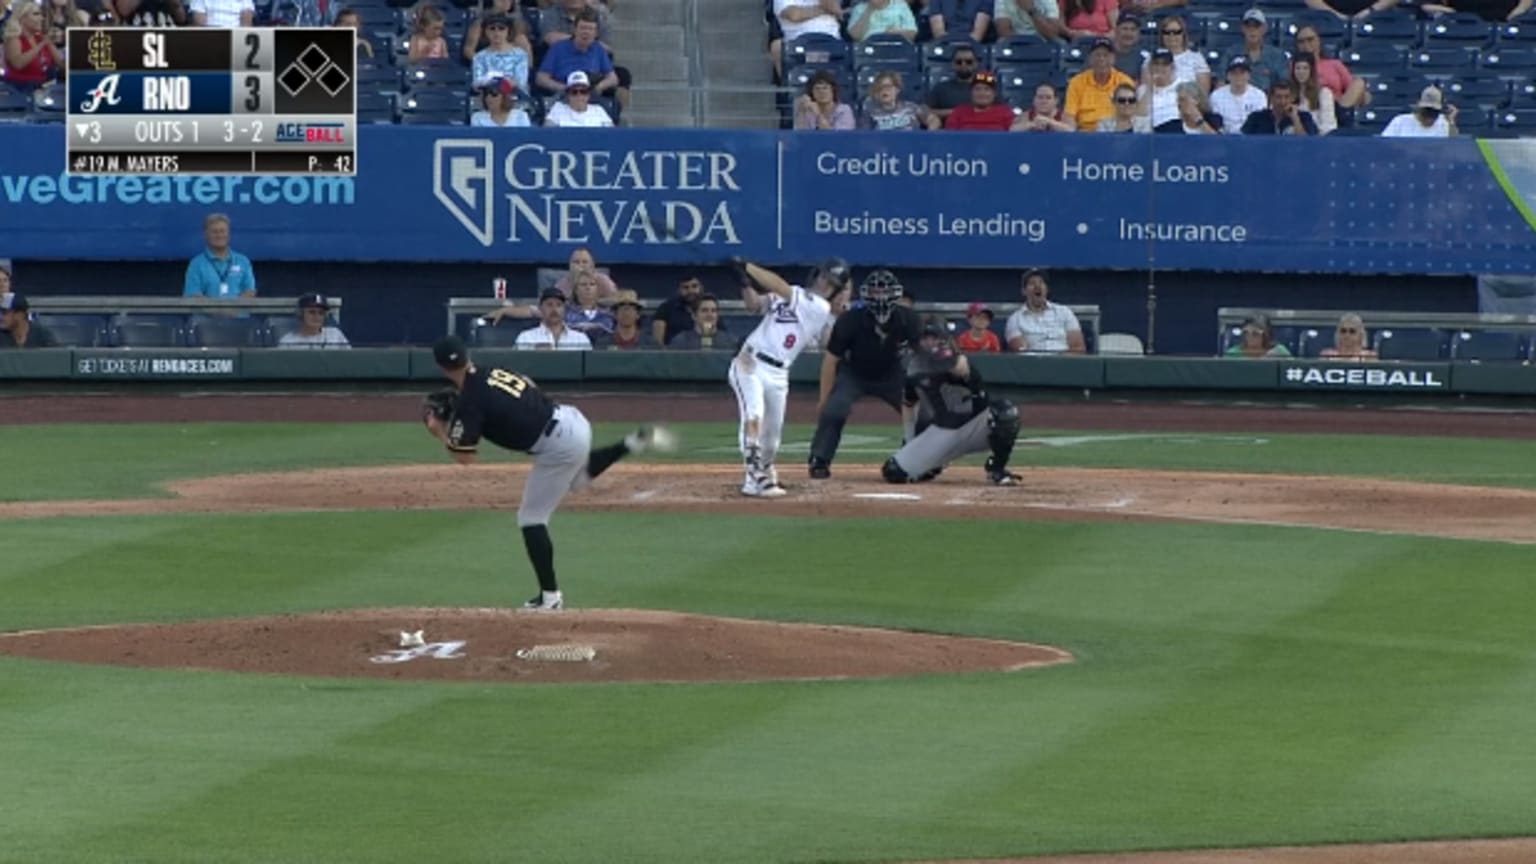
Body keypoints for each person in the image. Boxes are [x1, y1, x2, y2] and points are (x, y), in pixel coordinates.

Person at [422, 335, 678, 611]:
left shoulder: (471, 401)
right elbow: (529, 383)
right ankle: (634, 441)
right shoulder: (492, 371)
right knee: (577, 479)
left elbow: (465, 457)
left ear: (440, 368)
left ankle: (550, 597)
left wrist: (440, 432)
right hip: (571, 418)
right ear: (466, 355)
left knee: (531, 518)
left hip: (559, 444)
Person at [725, 256, 850, 497]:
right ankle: (754, 476)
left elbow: (779, 285)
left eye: (832, 283)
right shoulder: (792, 297)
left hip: (779, 373)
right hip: (750, 362)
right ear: (817, 274)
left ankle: (764, 468)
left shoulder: (818, 307)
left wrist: (747, 267)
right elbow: (754, 305)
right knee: (754, 414)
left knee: (772, 438)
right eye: (825, 277)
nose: (826, 284)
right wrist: (743, 282)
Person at [808, 269, 924, 480]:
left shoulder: (910, 319)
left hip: (892, 373)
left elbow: (923, 355)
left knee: (922, 413)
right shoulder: (850, 320)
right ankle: (820, 459)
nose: (880, 297)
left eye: (884, 292)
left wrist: (924, 391)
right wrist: (824, 399)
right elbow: (830, 360)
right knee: (834, 409)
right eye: (875, 292)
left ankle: (916, 459)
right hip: (854, 373)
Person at [881, 321, 1023, 487]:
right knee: (894, 472)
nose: (930, 343)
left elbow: (960, 368)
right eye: (926, 339)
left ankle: (997, 469)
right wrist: (908, 439)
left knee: (1006, 412)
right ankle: (935, 463)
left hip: (977, 425)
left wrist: (940, 357)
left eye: (934, 338)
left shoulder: (957, 360)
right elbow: (908, 404)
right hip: (945, 430)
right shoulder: (914, 370)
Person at [1005, 269, 1086, 353]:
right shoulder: (1015, 319)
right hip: (1033, 364)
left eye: (1041, 282)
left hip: (1064, 362)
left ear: (1047, 289)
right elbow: (1020, 353)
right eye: (1032, 283)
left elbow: (1078, 348)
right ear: (1024, 291)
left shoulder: (1065, 312)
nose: (1037, 286)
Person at [183, 213, 256, 300]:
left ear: (228, 234)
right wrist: (219, 312)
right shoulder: (196, 264)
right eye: (214, 232)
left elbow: (250, 292)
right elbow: (193, 296)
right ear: (205, 235)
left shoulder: (243, 261)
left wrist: (232, 311)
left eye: (222, 231)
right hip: (206, 314)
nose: (219, 235)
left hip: (238, 313)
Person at [3, 2, 62, 89]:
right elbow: (18, 64)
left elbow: (61, 64)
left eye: (41, 14)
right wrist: (42, 44)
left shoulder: (41, 38)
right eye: (36, 14)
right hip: (19, 89)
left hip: (44, 87)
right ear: (22, 17)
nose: (41, 18)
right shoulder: (14, 39)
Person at [515, 287, 593, 350]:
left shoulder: (580, 339)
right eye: (549, 305)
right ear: (540, 308)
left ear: (564, 309)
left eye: (559, 305)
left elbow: (590, 367)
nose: (554, 309)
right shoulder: (526, 338)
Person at [1241, 81, 1318, 135]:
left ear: (1292, 98)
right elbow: (1243, 142)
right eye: (1278, 97)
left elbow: (1308, 145)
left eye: (1286, 97)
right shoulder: (1256, 118)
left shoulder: (1304, 117)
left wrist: (1295, 119)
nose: (1282, 101)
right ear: (1271, 98)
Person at [543, 70, 614, 128]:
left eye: (583, 92)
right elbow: (547, 135)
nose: (579, 95)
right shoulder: (558, 109)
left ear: (588, 94)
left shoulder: (598, 110)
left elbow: (612, 135)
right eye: (574, 92)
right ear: (568, 95)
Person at [277, 294, 350, 349]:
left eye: (321, 313)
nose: (317, 317)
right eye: (312, 312)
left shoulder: (335, 335)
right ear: (300, 314)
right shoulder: (288, 342)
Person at [667, 294, 738, 351]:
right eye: (704, 310)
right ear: (694, 315)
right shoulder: (680, 342)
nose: (709, 315)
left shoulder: (730, 342)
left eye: (713, 311)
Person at [1382, 86, 1458, 138]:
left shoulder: (1444, 123)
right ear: (1418, 108)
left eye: (1434, 113)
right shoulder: (1400, 121)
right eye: (1426, 112)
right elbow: (1384, 145)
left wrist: (1451, 121)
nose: (1429, 117)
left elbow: (1454, 146)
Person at [1225, 314, 1292, 357]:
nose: (1250, 337)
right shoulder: (1233, 354)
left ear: (1266, 335)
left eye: (1255, 334)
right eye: (1246, 332)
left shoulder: (1280, 353)